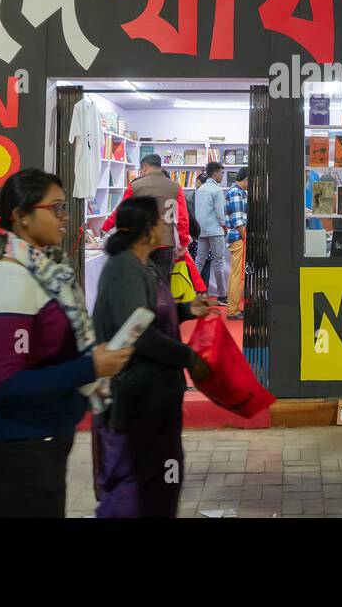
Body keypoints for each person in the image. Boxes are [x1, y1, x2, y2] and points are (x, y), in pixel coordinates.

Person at [0, 168, 134, 517]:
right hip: (14, 451)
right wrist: (91, 366)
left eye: (65, 207)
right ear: (22, 217)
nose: (64, 217)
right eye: (55, 208)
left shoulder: (44, 272)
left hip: (40, 442)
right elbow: (3, 385)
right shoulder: (8, 280)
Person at [91, 196, 211, 517]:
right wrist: (187, 356)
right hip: (135, 399)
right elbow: (138, 333)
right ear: (146, 230)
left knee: (160, 482)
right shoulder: (124, 270)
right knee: (137, 489)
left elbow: (150, 317)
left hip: (153, 395)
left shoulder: (143, 264)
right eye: (159, 219)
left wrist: (186, 310)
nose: (165, 223)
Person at [100, 153, 191, 284]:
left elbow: (120, 212)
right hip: (165, 243)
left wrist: (105, 227)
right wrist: (183, 242)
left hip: (140, 244)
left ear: (144, 167)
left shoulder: (135, 186)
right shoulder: (175, 187)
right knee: (161, 287)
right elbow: (183, 217)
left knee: (138, 284)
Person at [194, 161, 229, 305]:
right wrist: (224, 225)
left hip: (201, 230)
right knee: (219, 262)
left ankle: (194, 291)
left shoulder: (200, 189)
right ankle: (222, 296)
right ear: (215, 174)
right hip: (215, 230)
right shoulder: (216, 190)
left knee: (199, 262)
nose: (222, 176)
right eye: (221, 173)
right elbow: (220, 212)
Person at [225, 167, 250, 319]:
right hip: (238, 238)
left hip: (236, 238)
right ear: (246, 178)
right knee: (237, 275)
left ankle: (233, 308)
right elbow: (238, 220)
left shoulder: (237, 192)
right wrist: (245, 237)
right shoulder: (236, 193)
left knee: (236, 274)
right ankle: (232, 310)